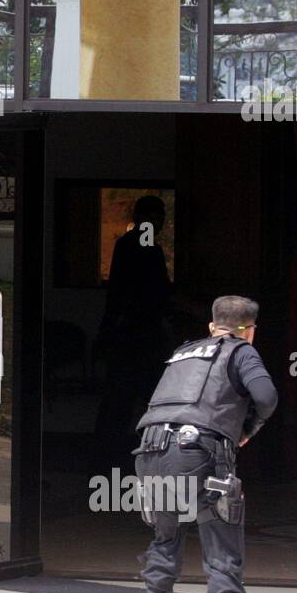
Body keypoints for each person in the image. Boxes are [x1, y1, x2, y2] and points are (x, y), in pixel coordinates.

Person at [132, 295, 278, 593]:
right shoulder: (241, 351)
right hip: (199, 453)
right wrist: (247, 430)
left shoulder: (185, 351)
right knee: (222, 545)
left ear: (212, 326)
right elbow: (266, 397)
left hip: (150, 451)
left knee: (165, 540)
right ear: (250, 330)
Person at [96, 195, 174, 469]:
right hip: (139, 334)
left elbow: (118, 293)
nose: (159, 222)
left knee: (121, 397)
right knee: (140, 396)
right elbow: (154, 292)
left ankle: (108, 455)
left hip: (129, 332)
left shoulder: (128, 245)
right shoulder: (146, 248)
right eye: (156, 216)